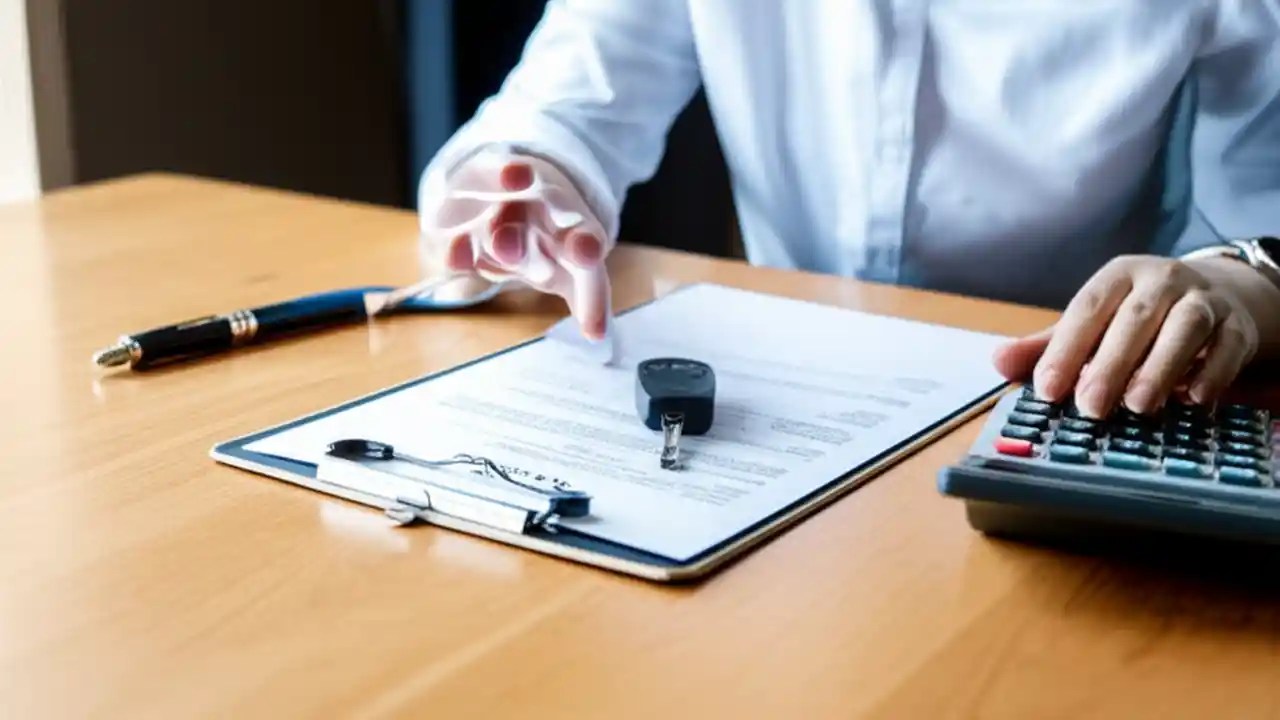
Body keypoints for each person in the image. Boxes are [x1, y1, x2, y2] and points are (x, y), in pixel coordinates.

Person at [417, 1, 1280, 420]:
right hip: (784, 391)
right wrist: (527, 187)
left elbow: (1265, 212)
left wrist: (1235, 283)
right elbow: (561, 111)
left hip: (1067, 393)